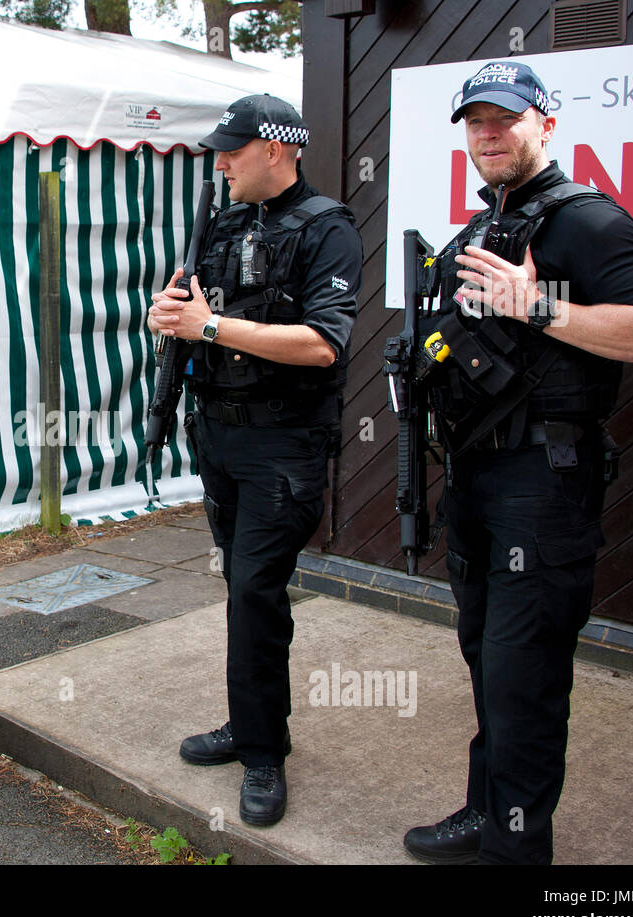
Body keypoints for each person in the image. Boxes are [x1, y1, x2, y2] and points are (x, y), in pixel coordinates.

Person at [402, 62, 633, 864]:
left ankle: (515, 850)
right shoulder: (476, 231)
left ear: (546, 125)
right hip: (475, 479)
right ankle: (488, 811)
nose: (489, 135)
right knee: (487, 659)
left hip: (545, 484)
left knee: (524, 677)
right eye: (476, 123)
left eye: (506, 119)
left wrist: (539, 306)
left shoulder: (589, 221)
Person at [148, 94, 362, 826]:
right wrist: (171, 316)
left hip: (283, 446)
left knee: (257, 591)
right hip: (222, 437)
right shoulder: (225, 221)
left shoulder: (327, 227)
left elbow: (324, 342)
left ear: (278, 148)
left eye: (233, 149)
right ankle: (250, 723)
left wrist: (209, 325)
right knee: (242, 591)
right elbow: (195, 315)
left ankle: (264, 752)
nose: (222, 161)